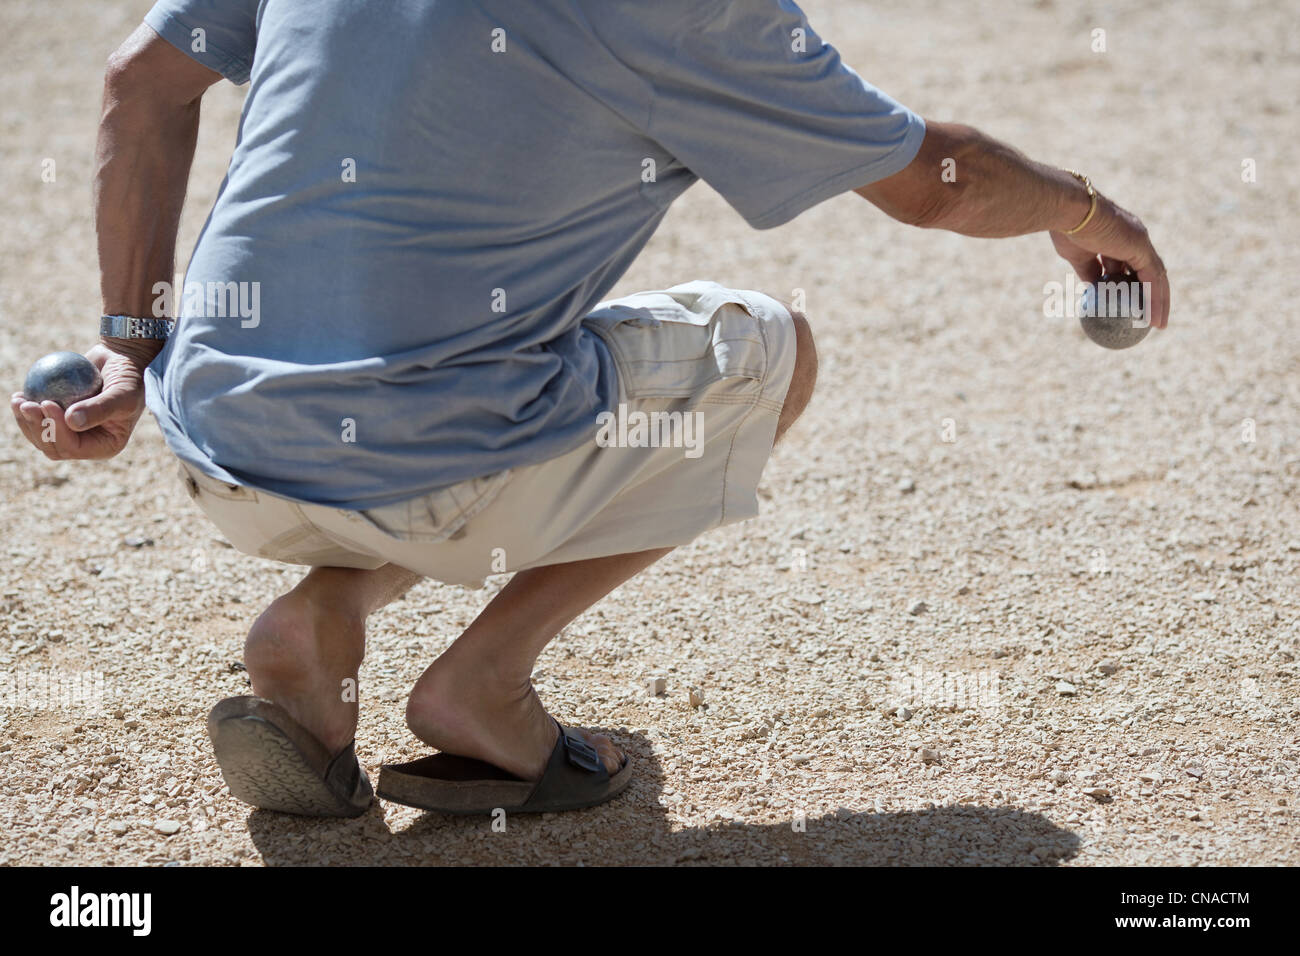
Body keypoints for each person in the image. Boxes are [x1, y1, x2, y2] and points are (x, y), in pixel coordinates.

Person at [11, 0, 1169, 817]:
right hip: (432, 464)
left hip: (218, 448)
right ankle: (482, 683)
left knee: (441, 392)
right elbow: (937, 179)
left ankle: (323, 612)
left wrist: (129, 350)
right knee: (771, 348)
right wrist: (1082, 208)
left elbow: (140, 84)